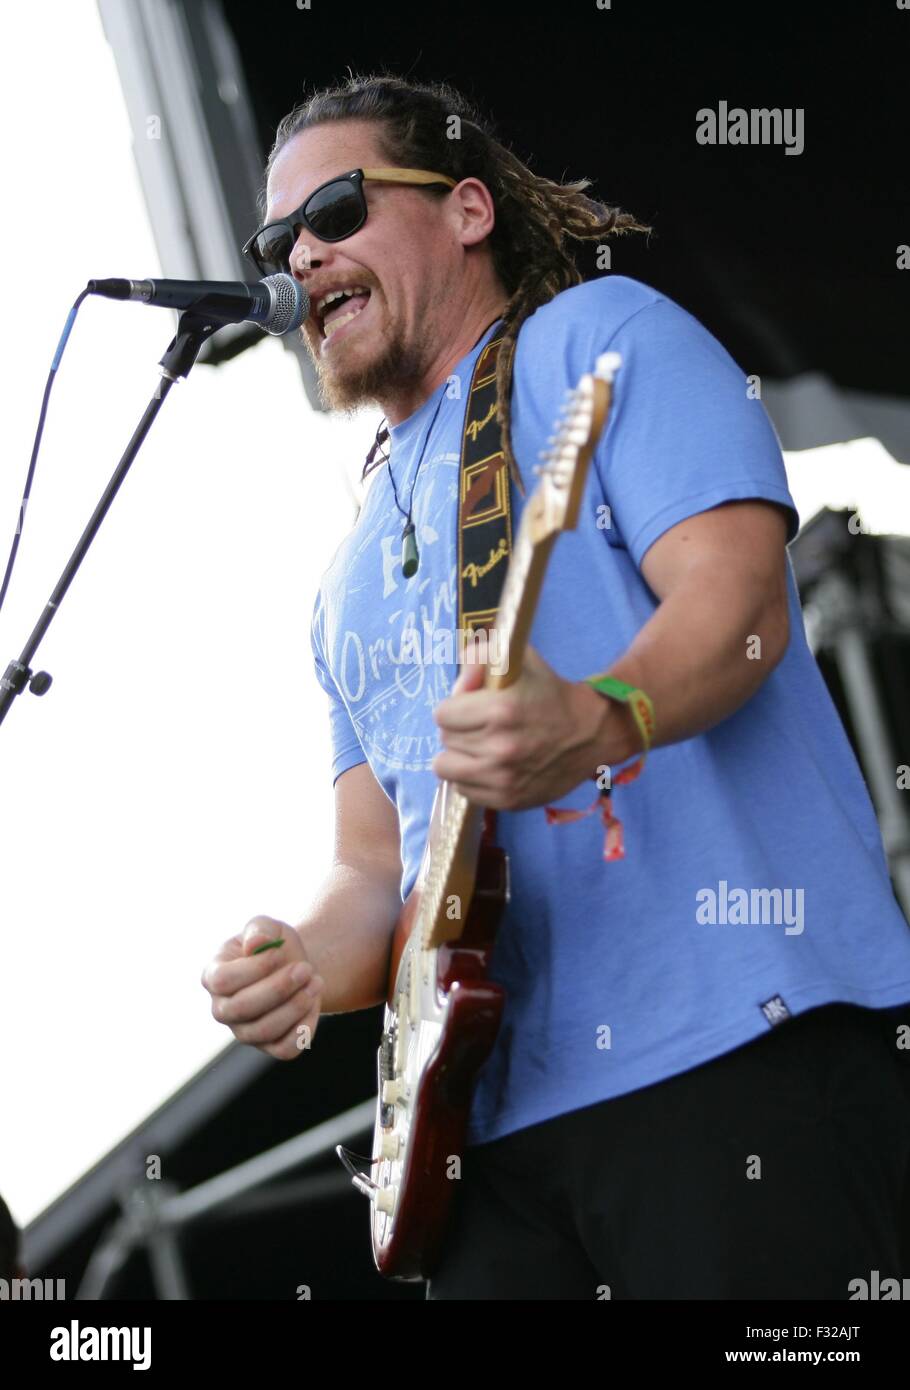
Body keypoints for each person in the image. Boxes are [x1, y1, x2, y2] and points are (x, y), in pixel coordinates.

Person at [202, 74, 910, 1299]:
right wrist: (304, 959)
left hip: (732, 1051)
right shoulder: (345, 568)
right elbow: (377, 867)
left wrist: (599, 716)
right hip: (482, 1142)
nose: (301, 256)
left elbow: (736, 607)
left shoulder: (602, 339)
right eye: (276, 242)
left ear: (468, 208)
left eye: (334, 209)